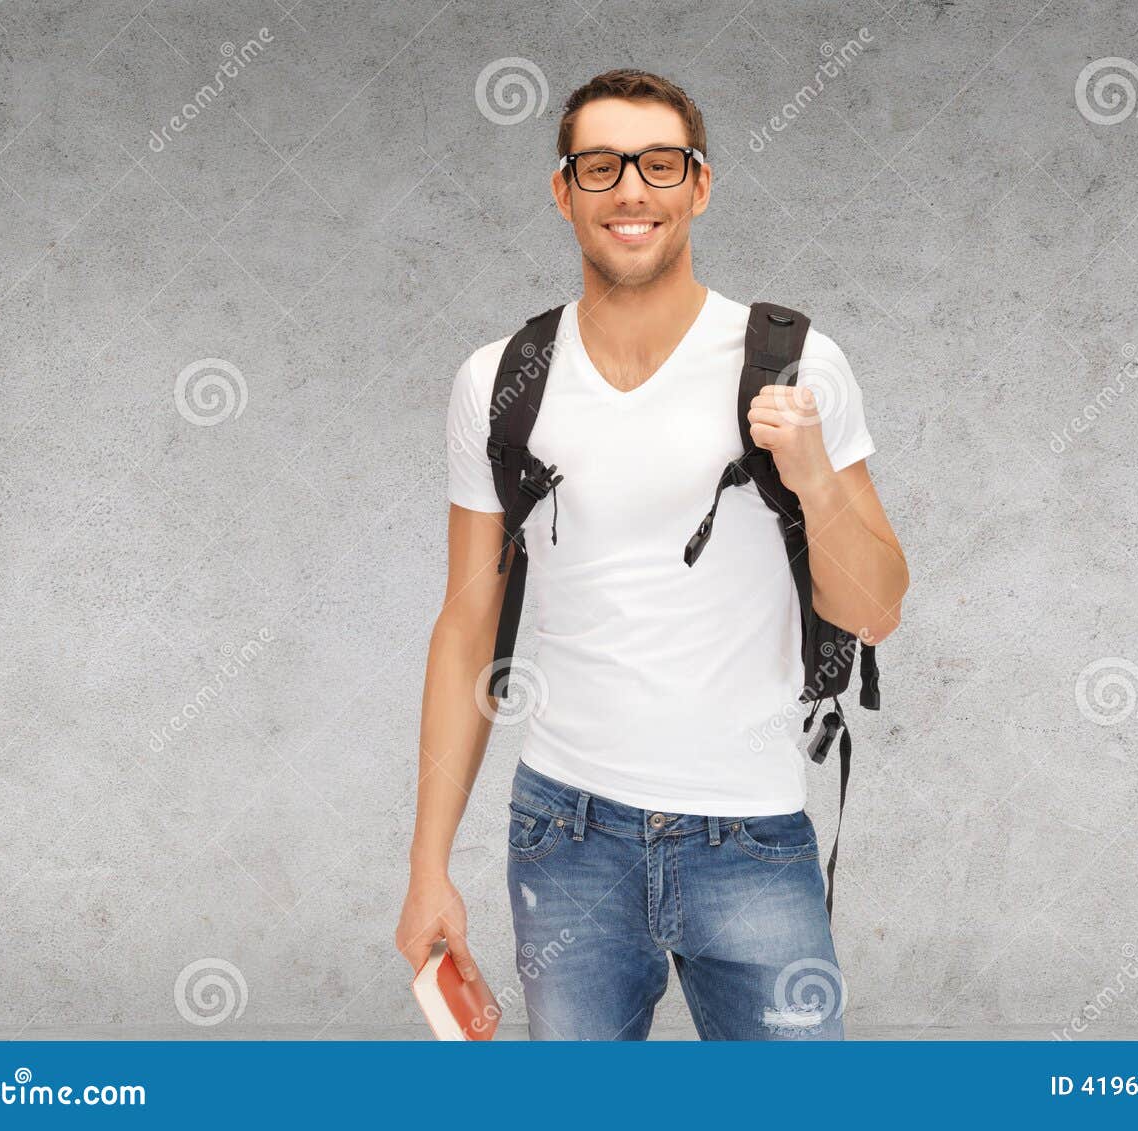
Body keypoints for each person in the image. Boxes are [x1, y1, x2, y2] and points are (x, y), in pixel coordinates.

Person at [395, 68, 908, 1040]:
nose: (631, 191)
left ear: (698, 185)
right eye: (600, 166)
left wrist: (814, 475)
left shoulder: (795, 362)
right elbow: (467, 624)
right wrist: (428, 867)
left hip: (751, 836)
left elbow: (874, 607)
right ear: (564, 190)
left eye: (659, 164)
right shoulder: (502, 379)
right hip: (567, 839)